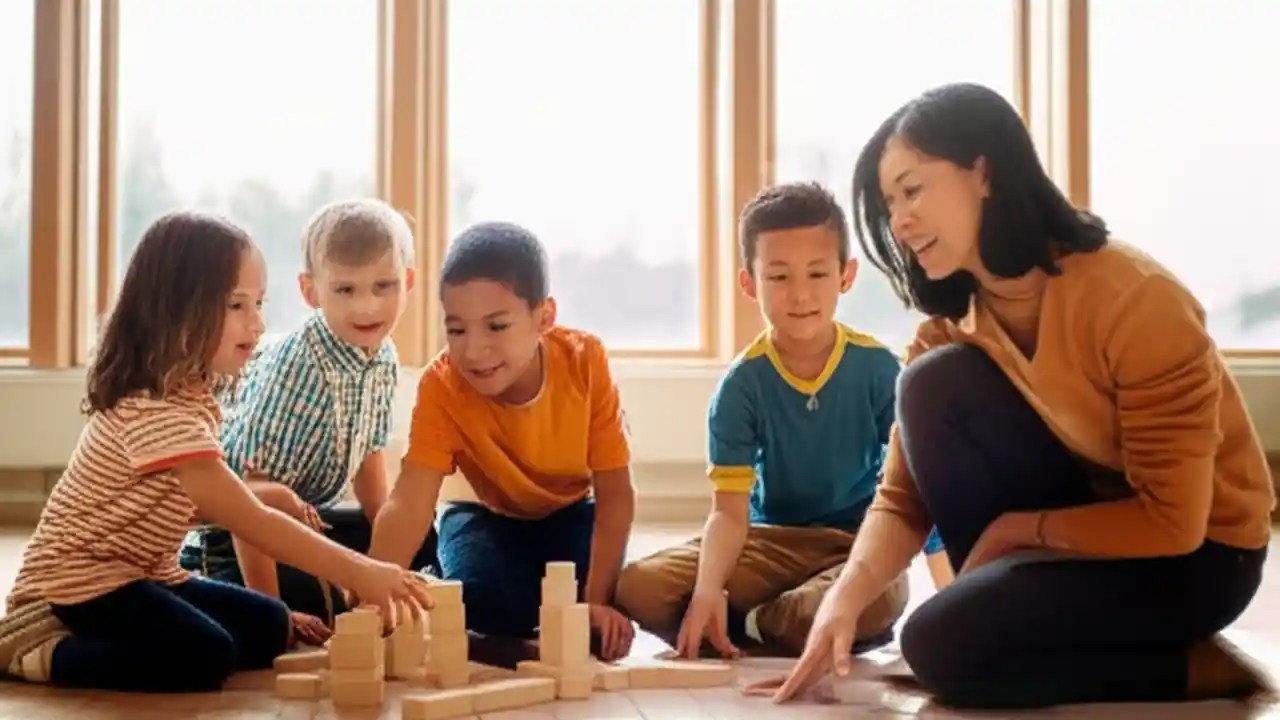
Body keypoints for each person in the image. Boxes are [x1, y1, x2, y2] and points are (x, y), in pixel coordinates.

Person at [754, 82, 1275, 709]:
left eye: (913, 189)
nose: (900, 220)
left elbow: (1174, 522)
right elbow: (900, 499)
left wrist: (1019, 530)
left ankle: (1194, 668)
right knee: (930, 383)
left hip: (1198, 560)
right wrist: (842, 601)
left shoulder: (1134, 299)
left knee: (939, 649)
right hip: (1078, 530)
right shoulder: (949, 327)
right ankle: (1012, 623)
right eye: (890, 204)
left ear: (984, 173)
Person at [0, 212, 430, 693]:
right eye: (236, 305)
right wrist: (363, 571)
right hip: (79, 585)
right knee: (202, 655)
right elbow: (249, 520)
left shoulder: (193, 391)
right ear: (180, 312)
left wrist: (280, 505)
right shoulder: (155, 410)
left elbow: (206, 503)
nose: (258, 322)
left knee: (270, 624)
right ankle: (36, 649)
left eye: (260, 303)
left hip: (146, 572)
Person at [615, 182, 947, 660]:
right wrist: (708, 589)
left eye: (816, 274)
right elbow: (728, 514)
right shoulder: (741, 387)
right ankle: (770, 622)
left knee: (875, 596)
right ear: (749, 283)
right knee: (638, 587)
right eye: (779, 277)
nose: (800, 295)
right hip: (767, 543)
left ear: (845, 276)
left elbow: (917, 495)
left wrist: (947, 593)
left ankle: (757, 623)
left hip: (853, 549)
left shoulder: (879, 371)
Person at [365, 221, 637, 660]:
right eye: (457, 330)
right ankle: (438, 572)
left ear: (543, 317)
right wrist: (372, 587)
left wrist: (597, 601)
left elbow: (616, 494)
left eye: (496, 326)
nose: (474, 351)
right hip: (483, 516)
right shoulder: (442, 385)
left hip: (570, 514)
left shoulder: (586, 361)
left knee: (600, 603)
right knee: (487, 606)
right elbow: (410, 501)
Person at [179, 199, 438, 647]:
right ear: (310, 291)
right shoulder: (298, 367)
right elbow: (249, 508)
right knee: (315, 601)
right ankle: (239, 595)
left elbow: (369, 463)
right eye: (345, 290)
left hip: (304, 517)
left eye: (384, 286)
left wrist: (388, 558)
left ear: (409, 282)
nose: (367, 307)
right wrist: (275, 612)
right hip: (238, 533)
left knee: (424, 545)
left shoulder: (384, 357)